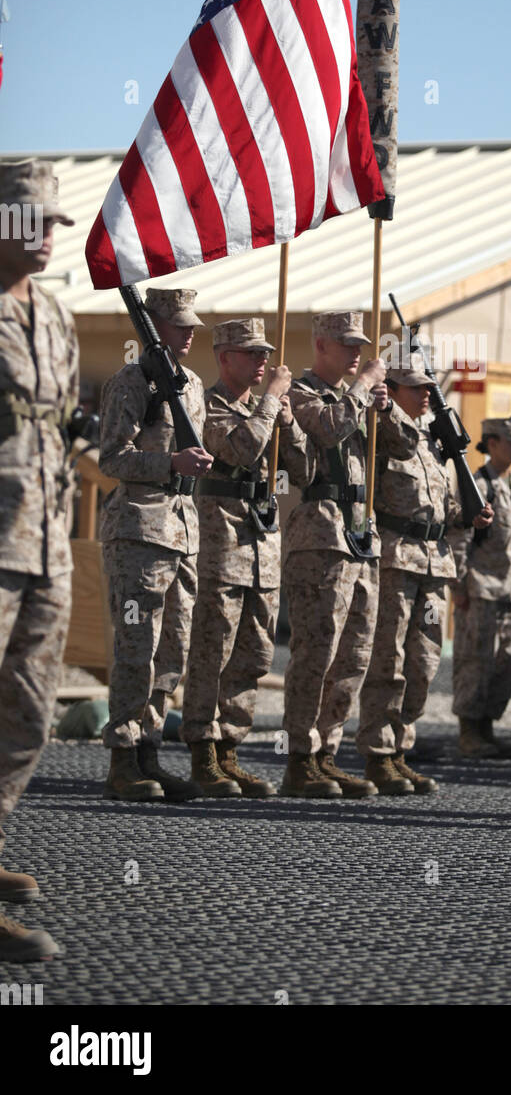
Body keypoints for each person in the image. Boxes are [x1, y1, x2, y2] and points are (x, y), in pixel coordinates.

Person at [281, 311, 418, 799]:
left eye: (359, 344)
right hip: (320, 535)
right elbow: (328, 432)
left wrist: (386, 408)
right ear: (321, 345)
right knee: (316, 652)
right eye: (346, 343)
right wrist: (363, 388)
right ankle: (299, 756)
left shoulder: (356, 399)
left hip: (362, 534)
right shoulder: (300, 393)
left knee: (354, 655)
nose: (357, 352)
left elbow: (404, 446)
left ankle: (327, 753)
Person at [182, 318, 313, 798]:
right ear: (224, 358)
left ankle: (231, 747)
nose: (262, 361)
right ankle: (203, 751)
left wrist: (289, 422)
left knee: (254, 656)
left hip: (263, 546)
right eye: (251, 353)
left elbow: (302, 470)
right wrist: (272, 401)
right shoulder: (207, 407)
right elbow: (239, 450)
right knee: (211, 653)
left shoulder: (265, 407)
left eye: (265, 354)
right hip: (223, 548)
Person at [0, 160, 77, 963]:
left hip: (45, 545)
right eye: (35, 220)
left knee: (28, 711)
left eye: (56, 223)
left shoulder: (52, 317)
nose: (49, 235)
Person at [357, 354, 493, 792]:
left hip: (435, 562)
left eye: (428, 388)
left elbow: (439, 504)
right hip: (397, 560)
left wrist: (469, 513)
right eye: (416, 388)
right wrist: (382, 403)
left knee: (424, 661)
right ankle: (379, 754)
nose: (426, 396)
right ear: (393, 391)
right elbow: (390, 446)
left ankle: (401, 748)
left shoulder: (433, 444)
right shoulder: (385, 431)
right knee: (389, 660)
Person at [99, 288, 212, 803]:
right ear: (155, 327)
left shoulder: (192, 385)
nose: (189, 333)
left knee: (172, 653)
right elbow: (113, 458)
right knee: (135, 647)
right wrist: (169, 464)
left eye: (192, 325)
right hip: (139, 531)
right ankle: (123, 760)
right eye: (180, 324)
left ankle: (149, 752)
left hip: (182, 531)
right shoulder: (132, 381)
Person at [451, 415, 511, 758]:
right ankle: (470, 730)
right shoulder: (478, 485)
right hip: (481, 587)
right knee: (475, 661)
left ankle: (488, 727)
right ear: (492, 443)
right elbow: (461, 536)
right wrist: (458, 584)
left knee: (508, 661)